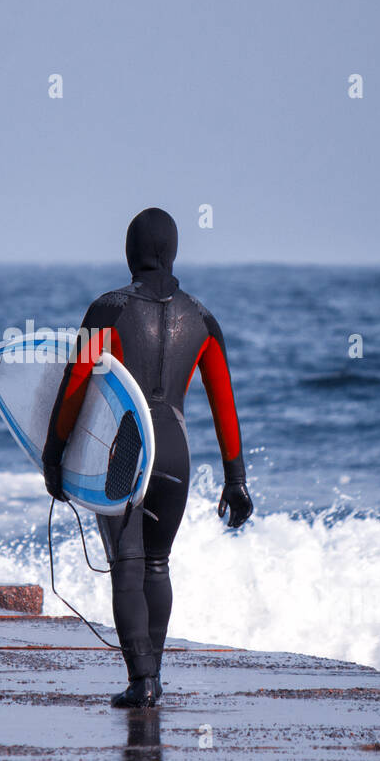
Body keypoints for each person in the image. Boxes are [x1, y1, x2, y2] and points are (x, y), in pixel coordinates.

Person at [42, 207, 252, 708]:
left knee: (128, 564)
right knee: (157, 564)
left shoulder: (108, 310)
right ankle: (152, 677)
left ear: (129, 252)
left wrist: (54, 456)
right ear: (174, 252)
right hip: (176, 454)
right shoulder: (202, 319)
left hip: (126, 450)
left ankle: (143, 683)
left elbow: (75, 386)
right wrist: (236, 478)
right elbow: (224, 402)